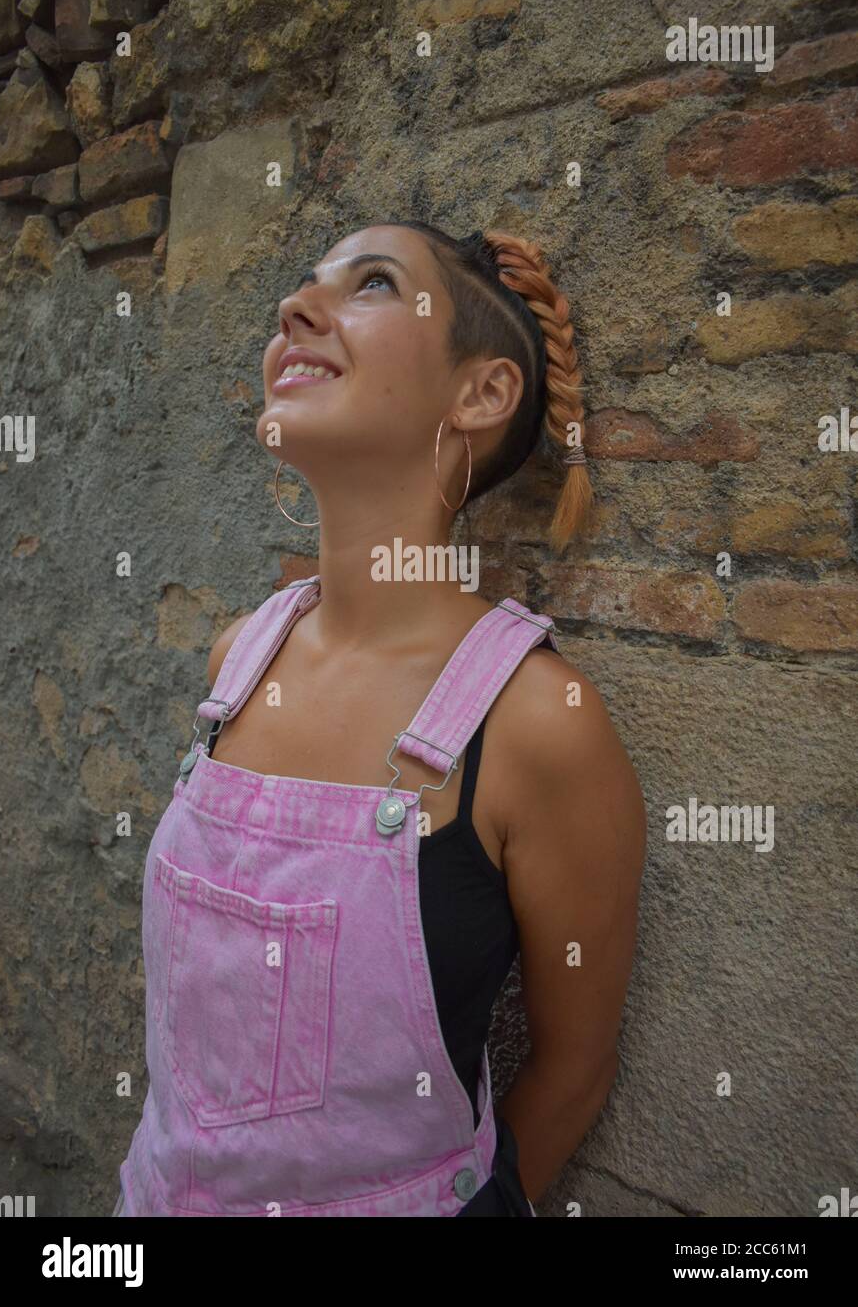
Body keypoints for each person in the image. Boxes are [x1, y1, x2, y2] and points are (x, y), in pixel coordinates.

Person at [114, 222, 647, 1217]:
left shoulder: (535, 724)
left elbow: (572, 1067)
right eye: (305, 283)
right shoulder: (239, 659)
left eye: (368, 283)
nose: (294, 309)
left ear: (479, 394)